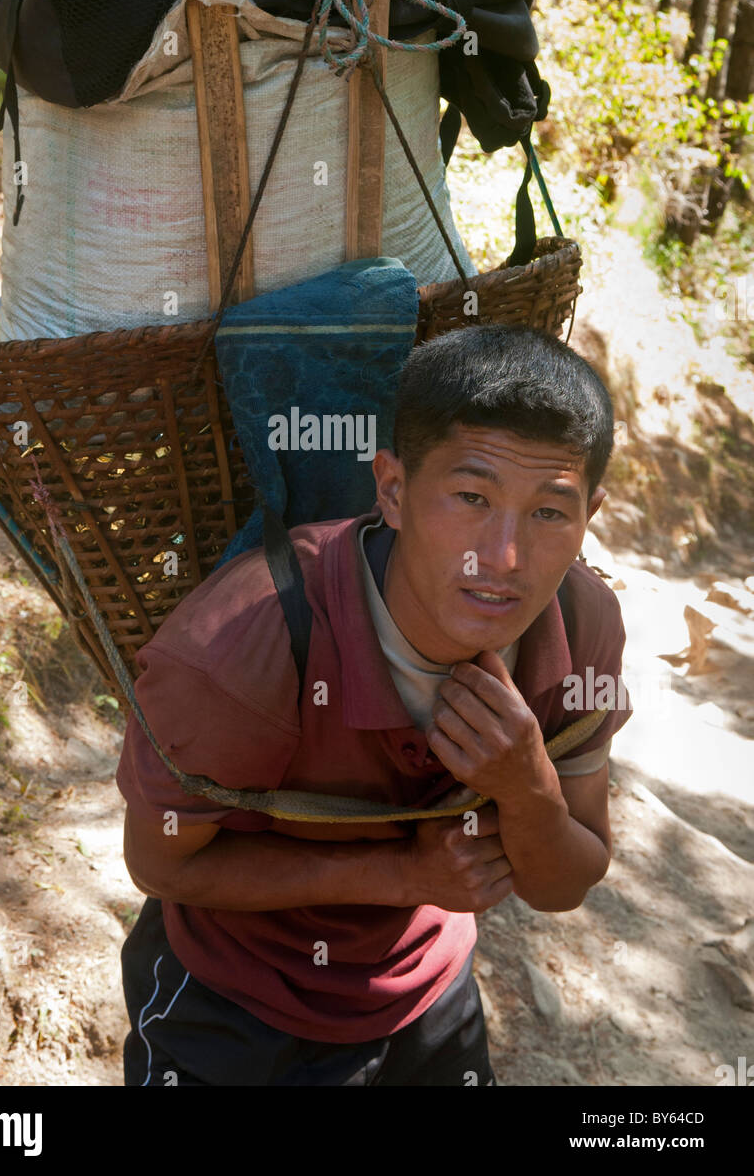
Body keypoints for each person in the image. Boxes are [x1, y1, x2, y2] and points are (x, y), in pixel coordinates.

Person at [117, 323, 633, 1086]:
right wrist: (401, 877)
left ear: (590, 511)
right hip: (235, 1000)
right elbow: (158, 865)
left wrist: (527, 788)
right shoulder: (240, 652)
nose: (503, 558)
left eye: (549, 512)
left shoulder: (583, 626)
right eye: (470, 496)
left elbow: (562, 885)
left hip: (427, 994)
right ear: (391, 490)